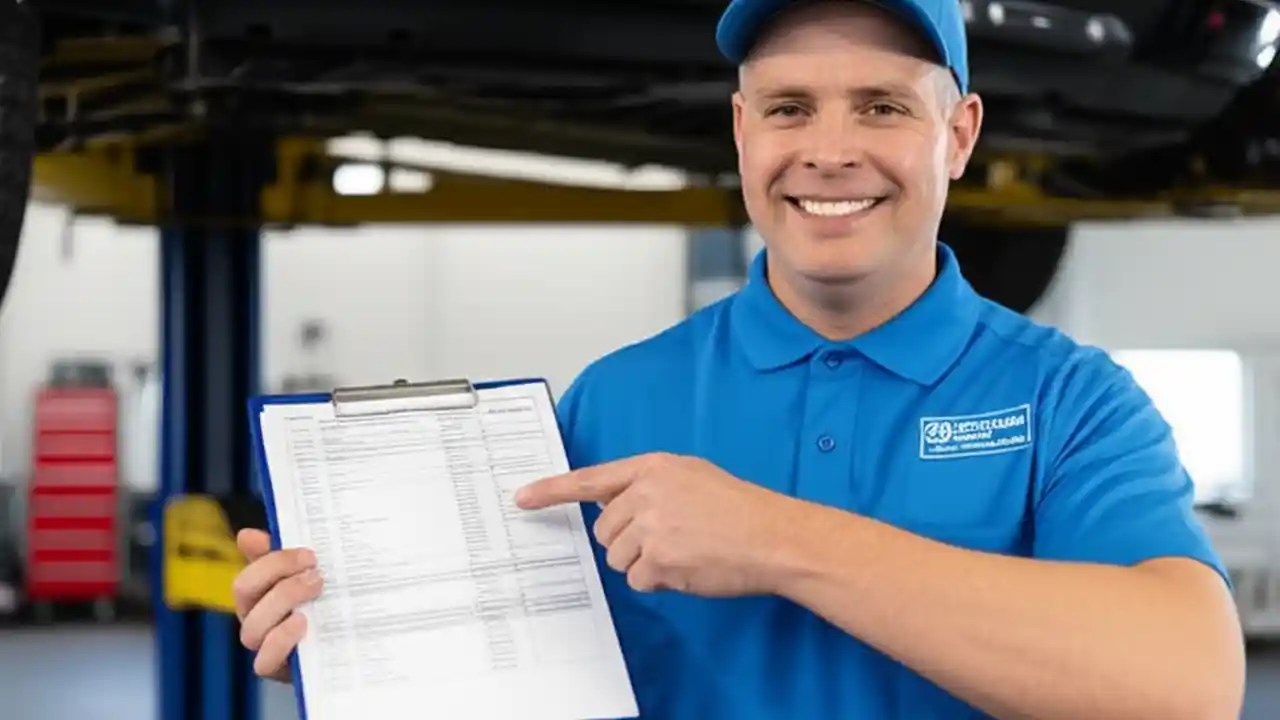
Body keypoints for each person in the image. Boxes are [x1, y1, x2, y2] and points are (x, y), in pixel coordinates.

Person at [232, 1, 1246, 717]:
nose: (829, 150)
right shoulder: (612, 402)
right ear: (740, 129)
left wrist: (772, 539)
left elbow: (1186, 685)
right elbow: (528, 673)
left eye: (882, 107)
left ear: (957, 135)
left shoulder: (1068, 401)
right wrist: (355, 643)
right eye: (788, 107)